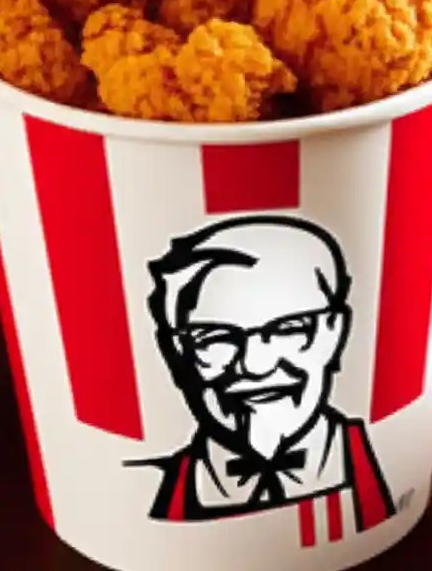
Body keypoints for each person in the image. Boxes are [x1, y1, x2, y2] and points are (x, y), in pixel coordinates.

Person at [131, 216, 395, 527]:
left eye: (289, 329)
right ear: (176, 354)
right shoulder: (139, 490)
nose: (256, 366)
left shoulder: (397, 455)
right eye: (214, 338)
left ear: (336, 333)